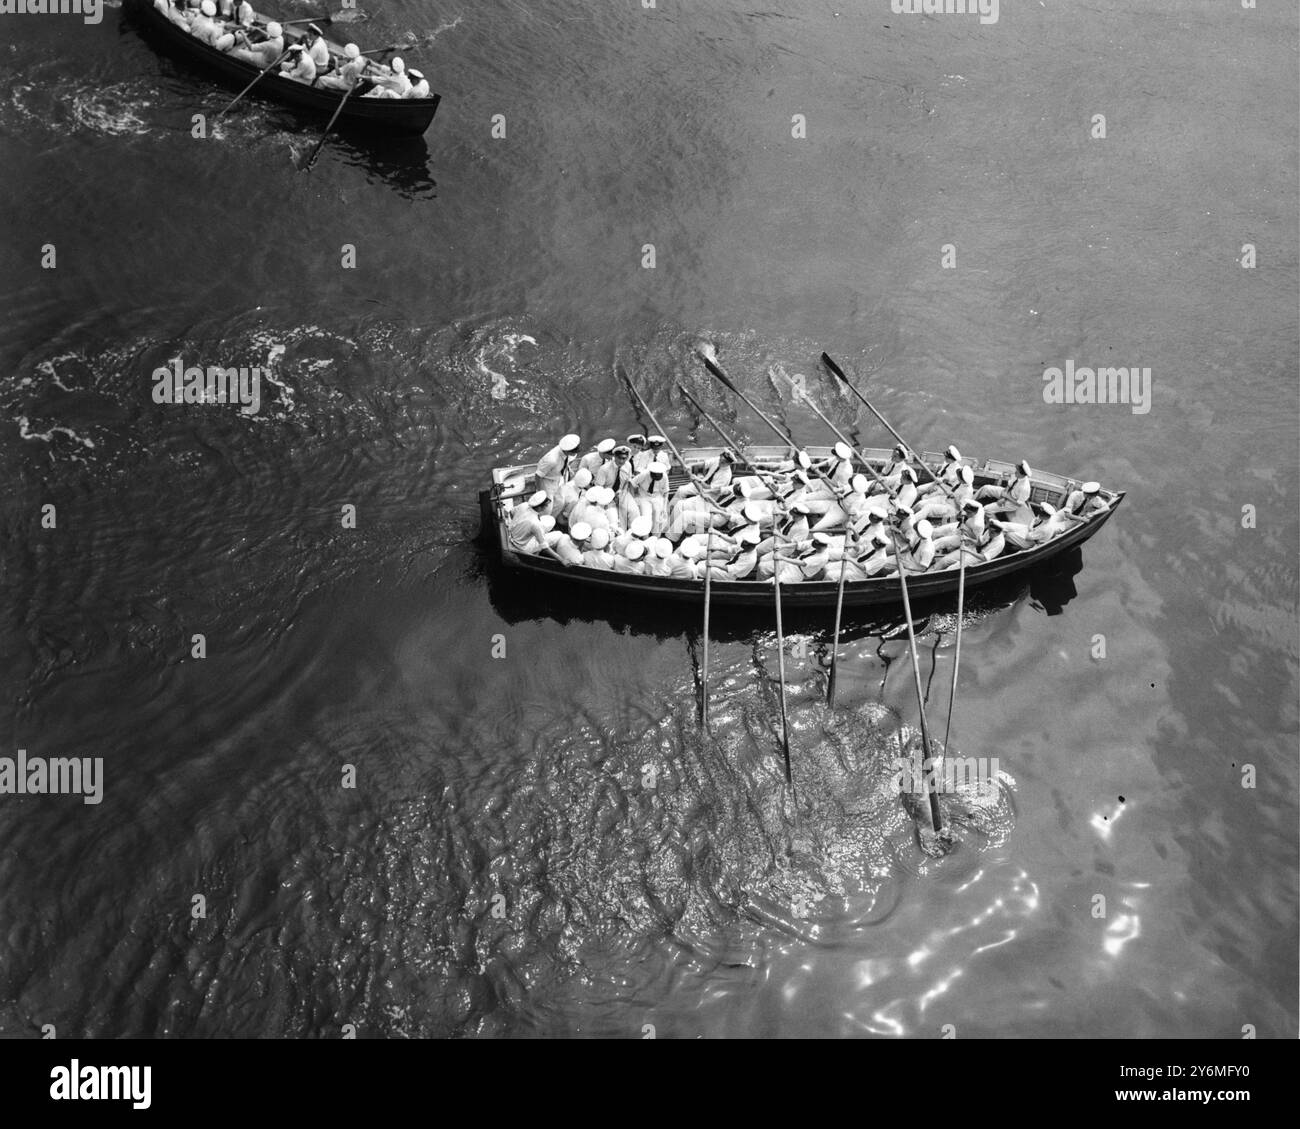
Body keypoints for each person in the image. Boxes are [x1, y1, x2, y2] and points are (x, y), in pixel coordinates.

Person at [536, 433, 580, 502]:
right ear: (567, 451)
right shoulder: (551, 459)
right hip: (547, 482)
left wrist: (568, 469)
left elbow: (567, 461)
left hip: (558, 478)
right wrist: (539, 491)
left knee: (560, 502)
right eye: (573, 452)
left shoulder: (571, 453)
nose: (575, 454)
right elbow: (538, 475)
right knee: (547, 504)